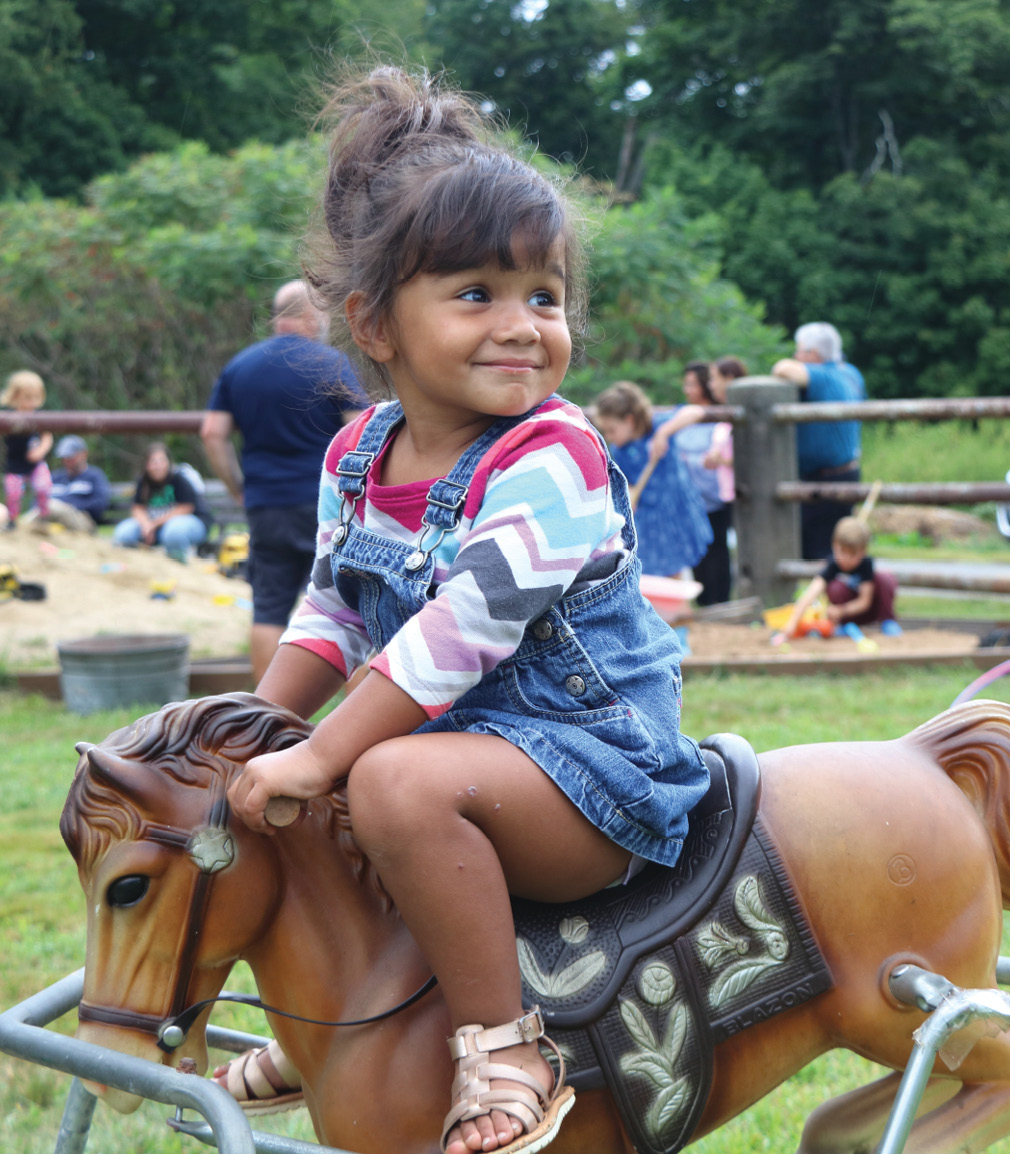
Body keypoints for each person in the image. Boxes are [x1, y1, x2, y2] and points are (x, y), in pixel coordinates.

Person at [223, 66, 709, 1154]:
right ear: (375, 325)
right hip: (470, 759)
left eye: (544, 296)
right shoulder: (357, 453)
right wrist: (251, 734)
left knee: (381, 777)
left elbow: (466, 627)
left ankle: (506, 1048)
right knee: (321, 780)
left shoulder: (555, 455)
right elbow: (333, 608)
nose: (523, 325)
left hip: (597, 772)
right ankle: (343, 1019)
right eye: (477, 294)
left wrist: (322, 752)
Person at [201, 280, 367, 683]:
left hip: (266, 504)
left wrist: (237, 487)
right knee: (352, 608)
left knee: (269, 607)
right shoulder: (331, 364)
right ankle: (356, 712)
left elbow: (212, 432)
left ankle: (267, 710)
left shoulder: (241, 366)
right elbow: (360, 432)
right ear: (311, 316)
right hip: (327, 508)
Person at [593, 380, 713, 579]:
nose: (609, 436)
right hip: (649, 516)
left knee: (675, 568)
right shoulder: (620, 450)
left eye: (612, 430)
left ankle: (681, 597)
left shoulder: (658, 426)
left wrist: (664, 433)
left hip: (674, 509)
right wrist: (630, 498)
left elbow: (695, 411)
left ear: (629, 420)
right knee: (651, 570)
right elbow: (630, 483)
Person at [770, 323, 866, 560]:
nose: (795, 356)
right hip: (842, 474)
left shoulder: (822, 376)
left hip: (825, 479)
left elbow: (782, 368)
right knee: (833, 552)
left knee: (820, 554)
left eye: (799, 350)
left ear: (812, 354)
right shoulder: (850, 373)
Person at [659, 360, 734, 604]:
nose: (686, 389)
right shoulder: (681, 413)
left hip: (714, 497)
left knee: (717, 551)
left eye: (692, 384)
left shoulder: (721, 416)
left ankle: (719, 602)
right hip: (687, 498)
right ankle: (702, 603)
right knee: (696, 550)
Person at [772, 515, 900, 643]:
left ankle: (887, 621)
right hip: (846, 617)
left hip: (867, 611)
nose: (846, 559)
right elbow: (810, 594)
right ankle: (843, 626)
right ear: (834, 545)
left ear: (863, 551)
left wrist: (841, 610)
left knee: (885, 578)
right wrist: (792, 624)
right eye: (842, 552)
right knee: (835, 587)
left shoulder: (866, 564)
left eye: (852, 554)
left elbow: (864, 601)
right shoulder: (832, 565)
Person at [112, 442, 208, 562]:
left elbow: (186, 508)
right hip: (155, 527)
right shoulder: (143, 481)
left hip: (190, 524)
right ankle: (134, 566)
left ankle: (178, 564)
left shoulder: (179, 478)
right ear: (146, 465)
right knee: (123, 533)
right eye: (153, 462)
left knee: (174, 533)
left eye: (161, 461)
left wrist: (154, 524)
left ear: (169, 462)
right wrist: (146, 524)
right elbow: (137, 508)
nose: (158, 466)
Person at [2, 370, 53, 531]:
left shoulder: (40, 416)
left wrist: (40, 451)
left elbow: (47, 436)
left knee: (44, 486)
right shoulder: (8, 416)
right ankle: (12, 521)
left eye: (36, 397)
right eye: (28, 397)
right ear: (15, 396)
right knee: (13, 493)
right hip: (14, 465)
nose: (32, 402)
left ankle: (43, 518)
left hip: (36, 463)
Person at [39, 435, 110, 533]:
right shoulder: (55, 477)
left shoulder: (95, 476)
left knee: (51, 506)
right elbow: (39, 499)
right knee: (43, 508)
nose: (66, 461)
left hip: (82, 520)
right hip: (52, 519)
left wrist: (69, 506)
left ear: (84, 454)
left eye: (70, 457)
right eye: (64, 457)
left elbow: (100, 504)